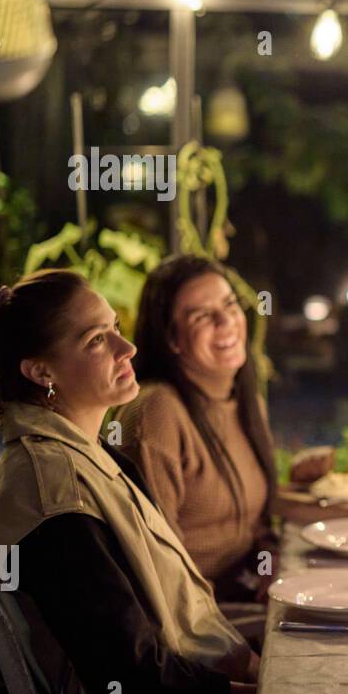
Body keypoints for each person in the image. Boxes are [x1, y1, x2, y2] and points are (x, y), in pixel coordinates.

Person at [0, 270, 257, 694]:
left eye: (116, 330)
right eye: (96, 340)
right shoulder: (55, 494)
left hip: (204, 685)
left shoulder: (85, 452)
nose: (129, 350)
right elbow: (135, 681)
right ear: (41, 371)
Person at [113, 255, 279, 603]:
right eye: (202, 316)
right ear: (172, 339)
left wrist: (270, 567)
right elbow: (159, 565)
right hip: (193, 618)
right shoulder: (157, 411)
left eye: (230, 304)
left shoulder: (246, 401)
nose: (226, 321)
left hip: (244, 594)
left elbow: (259, 527)